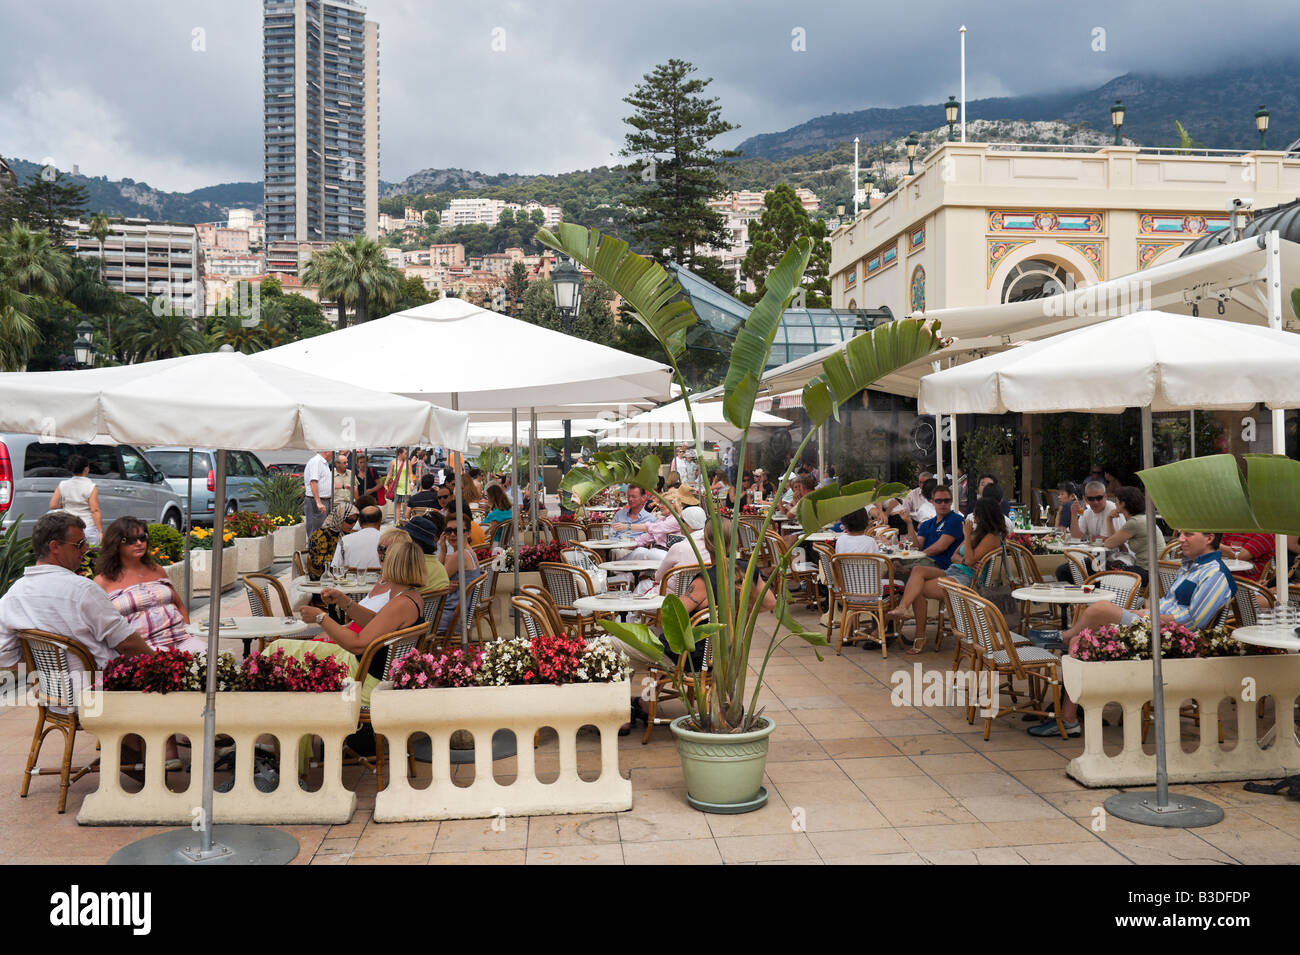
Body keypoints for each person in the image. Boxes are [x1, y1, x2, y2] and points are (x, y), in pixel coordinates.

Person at [1042, 530, 1236, 737]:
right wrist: (1144, 612)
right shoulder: (1192, 567)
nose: (1180, 539)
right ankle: (1068, 719)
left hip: (1172, 642)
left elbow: (1193, 622)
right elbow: (1167, 604)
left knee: (1101, 610)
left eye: (1188, 534)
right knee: (1079, 640)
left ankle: (1059, 639)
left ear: (1209, 538)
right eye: (1181, 534)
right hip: (1155, 630)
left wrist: (1149, 617)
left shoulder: (1215, 574)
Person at [0, 512, 151, 673]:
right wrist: (159, 664)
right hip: (101, 688)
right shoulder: (83, 590)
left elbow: (4, 655)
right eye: (79, 544)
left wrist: (44, 671)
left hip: (51, 693)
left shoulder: (13, 595)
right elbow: (126, 642)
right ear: (55, 547)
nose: (86, 548)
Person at [889, 496, 1007, 654]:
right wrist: (966, 560)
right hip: (954, 570)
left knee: (917, 589)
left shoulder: (991, 537)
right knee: (917, 570)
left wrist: (966, 536)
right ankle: (903, 608)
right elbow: (955, 556)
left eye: (976, 513)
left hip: (966, 580)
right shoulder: (976, 534)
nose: (973, 517)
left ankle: (919, 636)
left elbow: (971, 558)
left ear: (984, 515)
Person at [93, 517, 199, 653]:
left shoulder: (157, 569)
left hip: (182, 638)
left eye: (143, 537)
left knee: (210, 662)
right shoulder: (102, 581)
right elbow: (102, 626)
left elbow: (178, 604)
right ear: (116, 544)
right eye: (130, 540)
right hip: (144, 648)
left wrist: (188, 631)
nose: (138, 543)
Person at [1099, 486, 1165, 584]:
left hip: (1148, 572)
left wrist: (1108, 519)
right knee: (1104, 568)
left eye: (1117, 501)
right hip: (1157, 570)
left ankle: (1103, 596)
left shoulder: (1134, 523)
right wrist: (1110, 519)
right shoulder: (1141, 518)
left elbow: (1109, 544)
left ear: (1123, 504)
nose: (1115, 504)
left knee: (1101, 572)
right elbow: (1115, 542)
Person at [437, 512, 482, 635]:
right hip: (459, 613)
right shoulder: (469, 552)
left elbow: (435, 582)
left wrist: (442, 551)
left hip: (451, 617)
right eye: (448, 531)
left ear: (468, 533)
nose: (452, 534)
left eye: (457, 531)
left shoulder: (459, 555)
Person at [900, 484, 964, 568]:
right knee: (893, 564)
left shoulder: (956, 520)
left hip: (941, 564)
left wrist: (919, 555)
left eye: (946, 500)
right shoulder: (927, 524)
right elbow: (916, 547)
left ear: (951, 501)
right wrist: (909, 523)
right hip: (923, 560)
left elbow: (940, 547)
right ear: (932, 502)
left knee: (904, 570)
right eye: (939, 501)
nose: (943, 504)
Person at [47, 454, 103, 546]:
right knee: (89, 555)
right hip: (87, 526)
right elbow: (94, 510)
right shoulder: (91, 487)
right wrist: (100, 531)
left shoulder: (63, 484)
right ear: (86, 469)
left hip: (69, 526)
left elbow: (53, 505)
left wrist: (63, 505)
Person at [654, 507, 711, 586]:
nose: (679, 523)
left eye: (681, 520)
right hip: (700, 594)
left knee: (643, 584)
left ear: (688, 523)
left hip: (672, 595)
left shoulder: (678, 548)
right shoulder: (711, 545)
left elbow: (658, 577)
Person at [305, 501, 359, 579]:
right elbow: (319, 563)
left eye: (355, 521)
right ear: (340, 517)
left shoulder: (346, 534)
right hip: (322, 578)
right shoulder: (320, 535)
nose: (353, 524)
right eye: (349, 521)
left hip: (342, 576)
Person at [400, 515, 451, 594]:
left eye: (404, 537)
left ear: (411, 542)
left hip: (411, 604)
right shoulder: (439, 567)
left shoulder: (410, 568)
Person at [334, 504, 382, 570]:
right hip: (382, 579)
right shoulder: (390, 539)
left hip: (352, 580)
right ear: (380, 520)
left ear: (359, 521)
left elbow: (336, 567)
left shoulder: (345, 540)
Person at [303, 449, 333, 536]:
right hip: (316, 501)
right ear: (327, 451)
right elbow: (313, 482)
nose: (333, 455)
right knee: (315, 531)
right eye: (332, 452)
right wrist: (318, 502)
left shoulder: (324, 463)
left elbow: (324, 482)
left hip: (325, 500)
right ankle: (312, 548)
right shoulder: (316, 462)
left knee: (322, 531)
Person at [384, 448, 414, 523]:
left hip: (406, 486)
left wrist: (412, 483)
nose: (406, 455)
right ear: (400, 454)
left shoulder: (408, 462)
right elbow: (390, 474)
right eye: (405, 453)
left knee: (406, 504)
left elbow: (410, 473)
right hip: (397, 486)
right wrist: (386, 483)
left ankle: (405, 520)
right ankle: (397, 522)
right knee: (397, 505)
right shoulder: (393, 462)